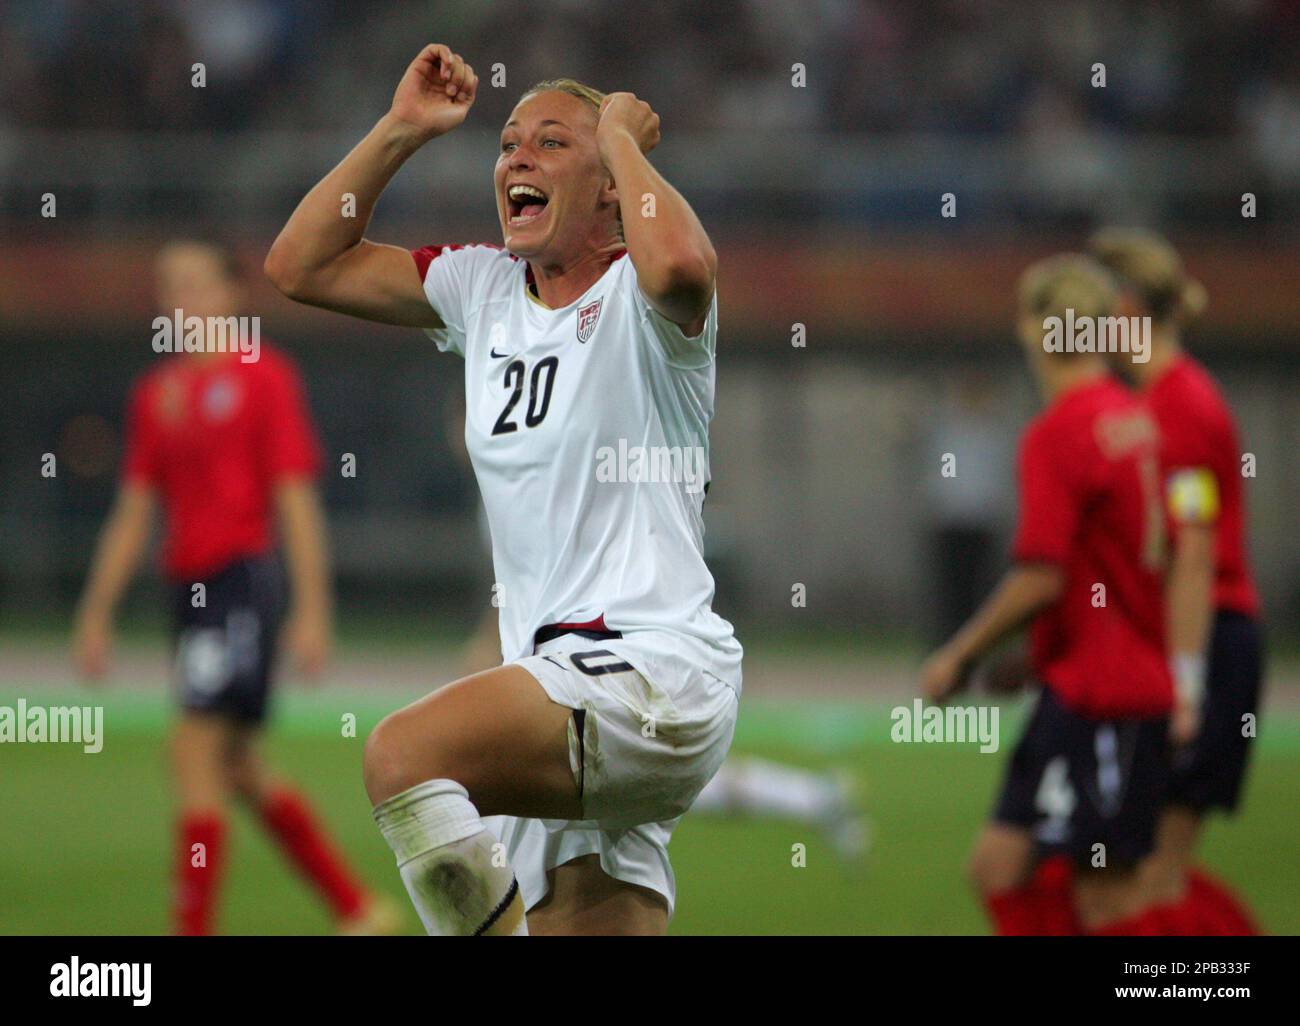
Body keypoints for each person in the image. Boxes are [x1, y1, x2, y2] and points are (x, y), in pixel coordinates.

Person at [265, 45, 742, 935]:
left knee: (403, 755)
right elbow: (301, 266)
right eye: (509, 143)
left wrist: (627, 145)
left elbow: (682, 266)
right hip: (550, 697)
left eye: (553, 144)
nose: (517, 157)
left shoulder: (647, 303)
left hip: (648, 670)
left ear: (608, 190)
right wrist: (401, 129)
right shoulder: (483, 287)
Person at [73, 240, 397, 936]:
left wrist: (313, 610)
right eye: (170, 286)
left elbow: (295, 501)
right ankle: (356, 908)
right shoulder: (155, 395)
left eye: (195, 283)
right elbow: (134, 512)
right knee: (239, 766)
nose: (180, 299)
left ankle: (190, 932)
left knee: (191, 751)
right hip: (187, 592)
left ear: (231, 296)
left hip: (241, 585)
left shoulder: (264, 378)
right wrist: (96, 612)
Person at [920, 255, 1174, 935]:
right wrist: (1035, 660)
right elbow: (1122, 572)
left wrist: (961, 654)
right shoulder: (1135, 422)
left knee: (1107, 897)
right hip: (1084, 686)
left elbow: (1042, 575)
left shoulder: (1059, 433)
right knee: (1001, 866)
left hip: (1106, 697)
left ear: (1037, 330)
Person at [1090, 227, 1263, 934]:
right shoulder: (1155, 402)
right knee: (1144, 874)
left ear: (1127, 305)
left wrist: (1184, 682)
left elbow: (1192, 551)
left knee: (1153, 878)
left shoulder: (1180, 407)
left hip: (1207, 642)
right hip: (1191, 644)